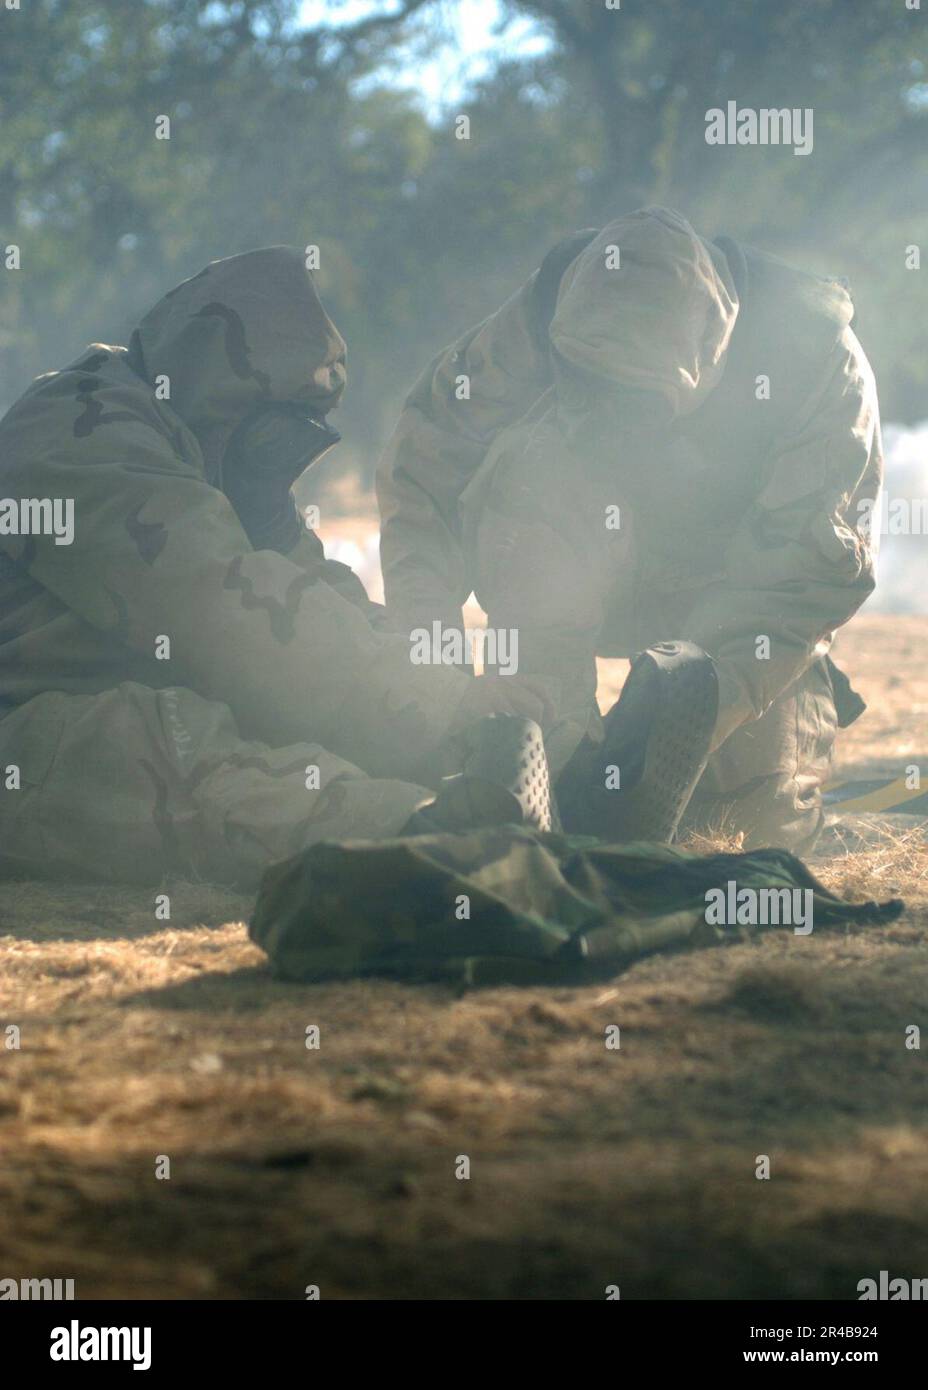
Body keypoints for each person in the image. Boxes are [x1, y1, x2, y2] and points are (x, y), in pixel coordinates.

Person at [0, 247, 553, 887]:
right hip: (27, 728)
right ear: (222, 393)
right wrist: (445, 699)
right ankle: (438, 841)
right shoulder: (82, 432)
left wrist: (450, 694)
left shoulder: (200, 444)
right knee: (183, 760)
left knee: (340, 720)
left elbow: (313, 596)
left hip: (111, 698)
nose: (285, 451)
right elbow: (230, 611)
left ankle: (553, 788)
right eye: (278, 428)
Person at [377, 206, 882, 852]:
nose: (601, 418)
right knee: (538, 463)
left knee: (743, 831)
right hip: (575, 569)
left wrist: (689, 710)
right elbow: (421, 474)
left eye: (631, 401)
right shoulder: (540, 316)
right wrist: (442, 677)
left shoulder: (816, 363)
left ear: (710, 360)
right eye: (584, 384)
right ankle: (550, 738)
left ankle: (671, 739)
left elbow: (804, 580)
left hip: (733, 599)